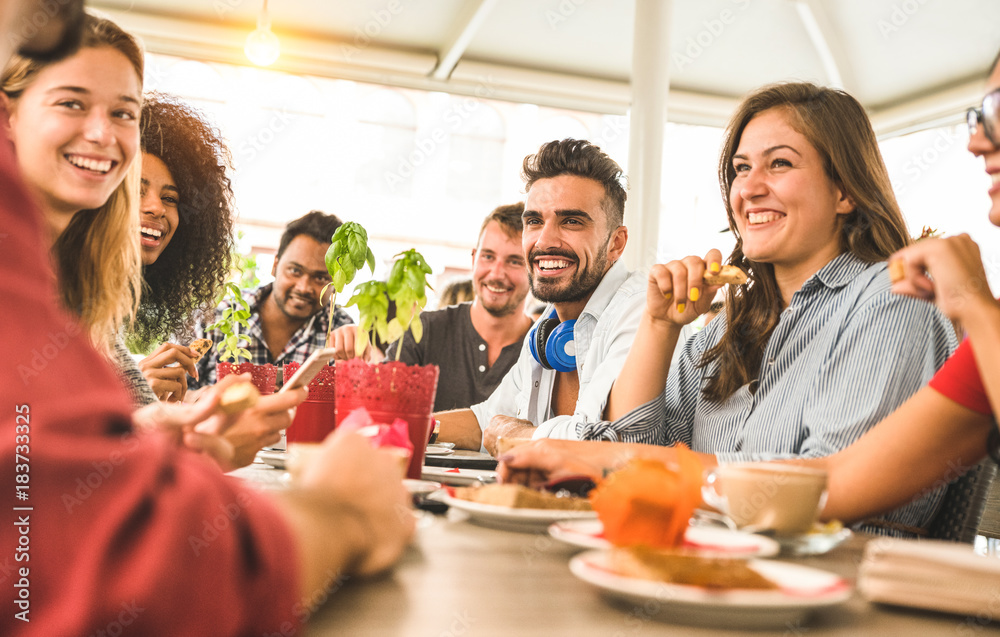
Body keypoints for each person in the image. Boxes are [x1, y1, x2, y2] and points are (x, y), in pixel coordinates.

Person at [0, 8, 412, 636]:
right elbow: (139, 579)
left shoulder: (69, 294)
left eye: (123, 114)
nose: (103, 135)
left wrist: (152, 438)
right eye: (70, 102)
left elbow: (31, 471)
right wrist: (343, 512)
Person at [502, 82, 971, 536]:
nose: (749, 188)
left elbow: (815, 494)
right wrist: (659, 324)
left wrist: (603, 459)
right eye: (741, 169)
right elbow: (632, 451)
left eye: (779, 164)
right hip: (705, 572)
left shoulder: (892, 302)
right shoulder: (727, 327)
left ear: (845, 190)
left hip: (832, 591)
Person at [436, 139, 691, 454]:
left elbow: (609, 442)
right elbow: (487, 421)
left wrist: (523, 436)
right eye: (534, 221)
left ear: (616, 243)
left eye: (571, 221)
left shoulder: (643, 309)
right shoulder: (548, 326)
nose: (544, 240)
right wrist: (398, 428)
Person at [129, 92, 237, 403]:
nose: (156, 208)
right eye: (138, 190)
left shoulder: (121, 303)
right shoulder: (59, 288)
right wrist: (136, 392)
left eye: (170, 198)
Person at [382, 203, 533, 412]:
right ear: (473, 259)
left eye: (515, 261)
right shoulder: (426, 331)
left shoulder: (541, 351)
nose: (497, 274)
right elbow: (380, 407)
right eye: (488, 256)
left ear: (535, 269)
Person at [190, 209, 354, 389]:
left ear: (335, 281)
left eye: (321, 278)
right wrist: (203, 398)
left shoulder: (340, 327)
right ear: (275, 265)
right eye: (295, 271)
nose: (303, 287)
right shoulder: (218, 315)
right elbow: (170, 393)